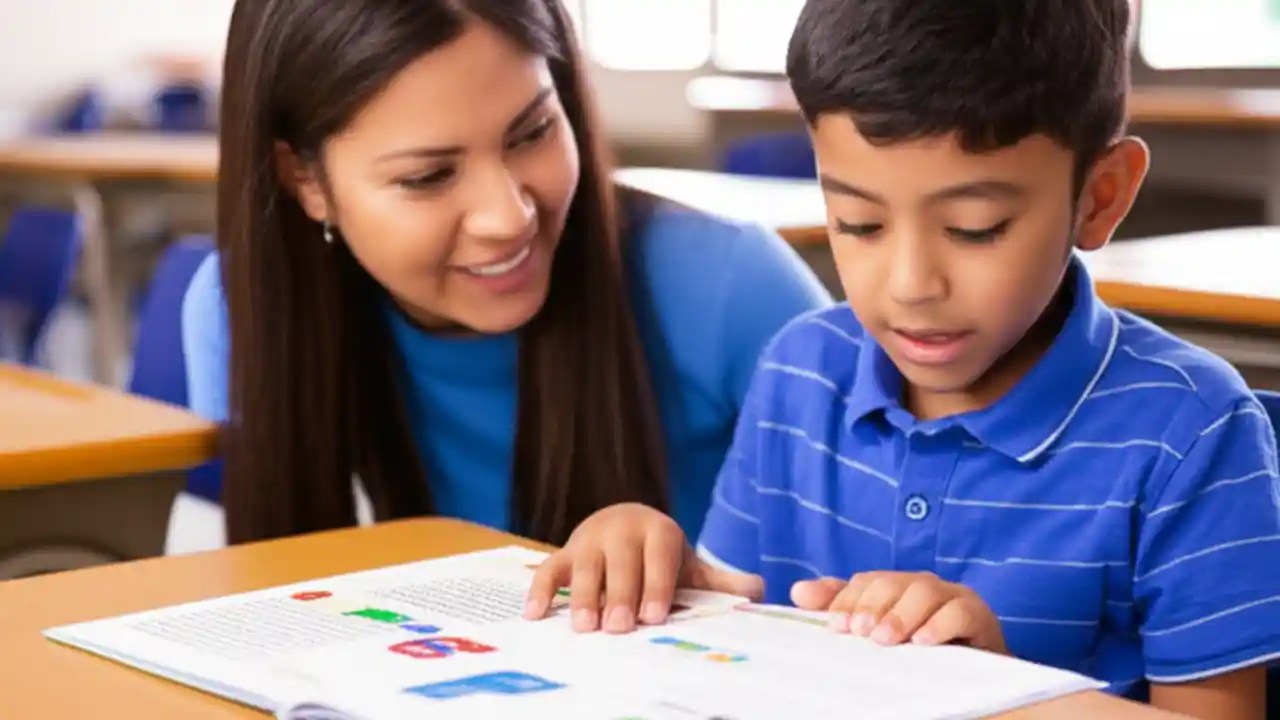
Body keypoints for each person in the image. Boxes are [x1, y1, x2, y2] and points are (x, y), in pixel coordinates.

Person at [526, 1, 1280, 716]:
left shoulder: (1192, 431)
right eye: (858, 223)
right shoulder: (801, 369)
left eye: (976, 228)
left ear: (1100, 197)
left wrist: (988, 690)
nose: (911, 286)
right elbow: (740, 609)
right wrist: (665, 571)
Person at [181, 0, 831, 547]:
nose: (507, 216)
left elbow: (895, 576)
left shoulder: (729, 286)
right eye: (428, 176)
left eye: (533, 132)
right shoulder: (242, 311)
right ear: (305, 178)